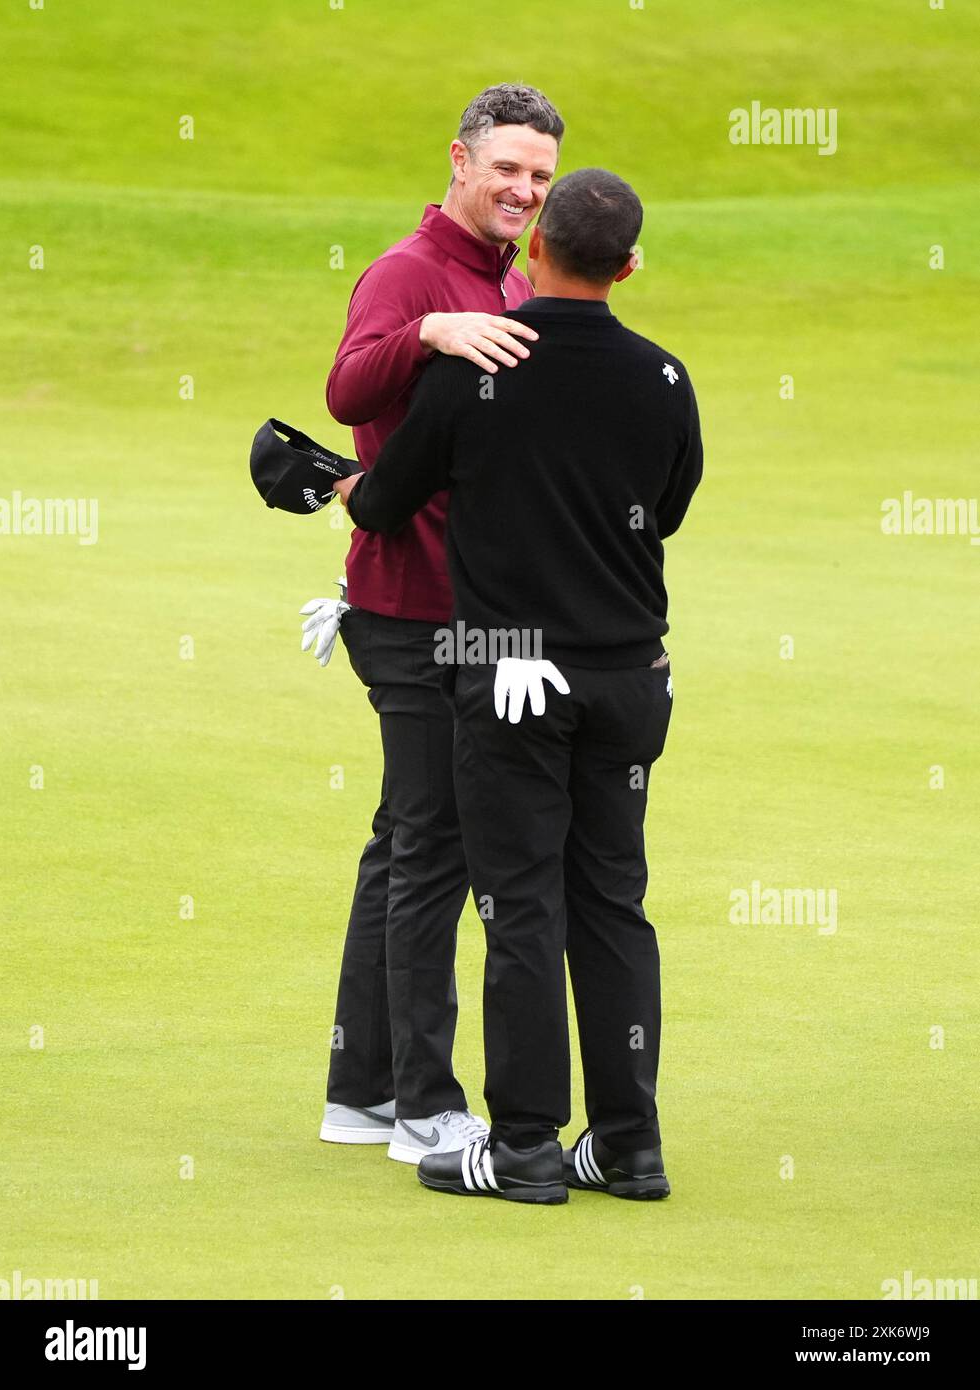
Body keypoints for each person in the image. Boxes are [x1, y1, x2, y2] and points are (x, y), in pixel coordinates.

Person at [334, 168, 704, 1203]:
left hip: (509, 680)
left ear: (533, 245)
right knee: (614, 905)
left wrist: (335, 481)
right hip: (630, 679)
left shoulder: (479, 365)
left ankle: (528, 1142)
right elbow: (664, 509)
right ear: (630, 266)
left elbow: (384, 505)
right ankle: (628, 1142)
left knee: (519, 906)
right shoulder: (665, 379)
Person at [311, 85, 565, 1164]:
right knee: (434, 848)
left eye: (540, 177)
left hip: (464, 606)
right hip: (412, 609)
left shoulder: (509, 276)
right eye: (506, 167)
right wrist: (427, 331)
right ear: (459, 159)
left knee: (404, 845)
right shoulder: (411, 274)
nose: (522, 189)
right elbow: (343, 390)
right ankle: (423, 1106)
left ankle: (358, 1088)